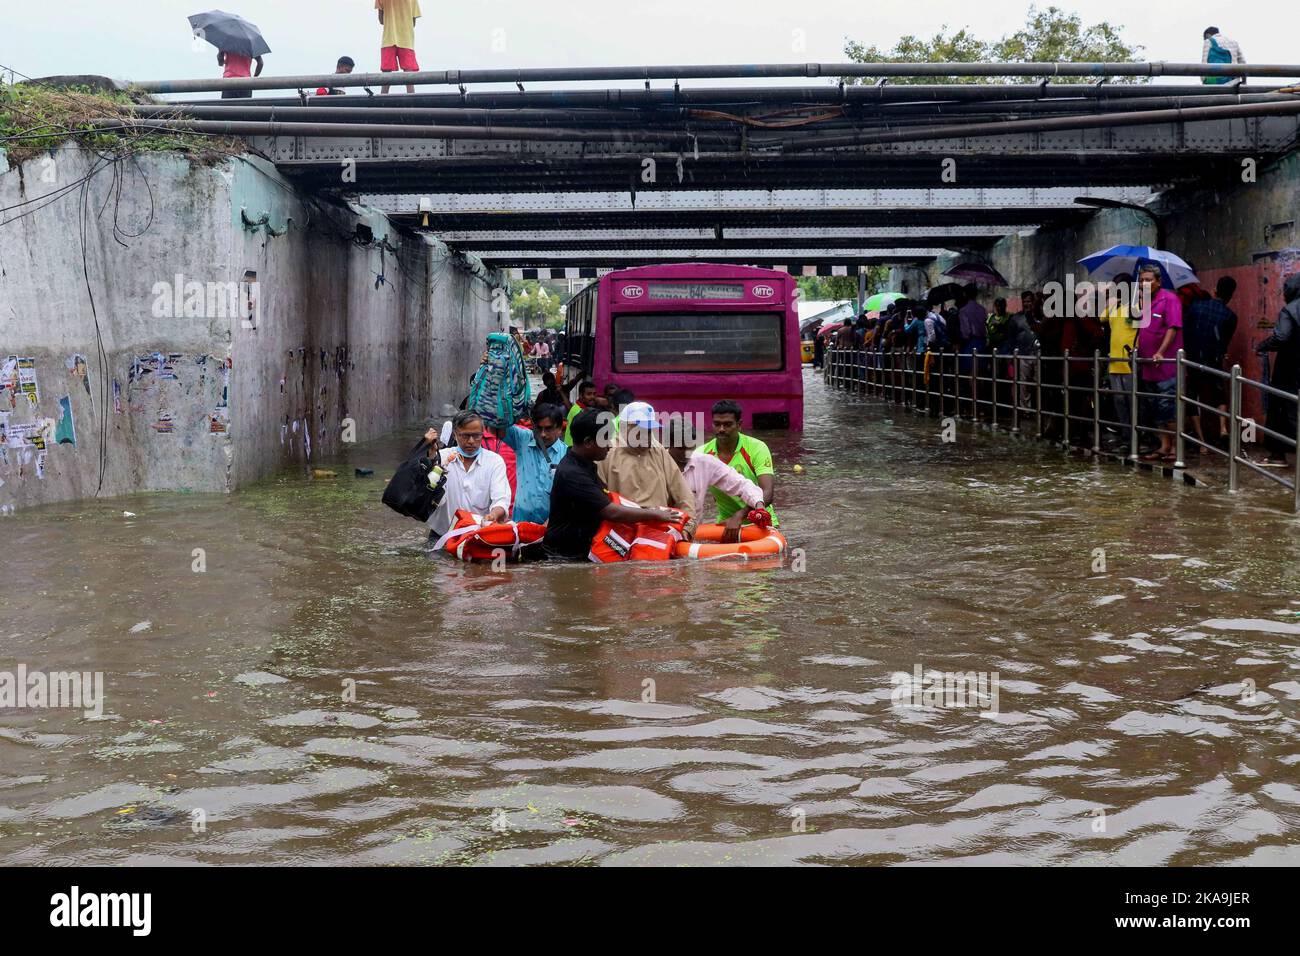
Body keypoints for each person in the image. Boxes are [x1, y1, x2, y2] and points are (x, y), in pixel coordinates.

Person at [542, 409, 686, 561]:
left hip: (581, 552)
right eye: (605, 440)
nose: (610, 446)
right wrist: (655, 515)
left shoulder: (587, 464)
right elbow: (611, 512)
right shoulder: (572, 473)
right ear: (588, 442)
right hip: (564, 557)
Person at [596, 402, 697, 536]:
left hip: (658, 530)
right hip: (620, 532)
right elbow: (598, 500)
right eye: (640, 431)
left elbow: (683, 495)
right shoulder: (606, 453)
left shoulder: (659, 452)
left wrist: (688, 528)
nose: (646, 436)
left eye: (649, 431)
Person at [665, 419, 765, 543]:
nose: (687, 453)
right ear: (668, 444)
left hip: (692, 535)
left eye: (690, 447)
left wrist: (758, 505)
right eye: (681, 448)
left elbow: (741, 484)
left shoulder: (704, 462)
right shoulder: (654, 465)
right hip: (661, 533)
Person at [426, 411, 511, 538]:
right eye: (465, 436)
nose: (471, 441)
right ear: (455, 435)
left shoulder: (494, 461)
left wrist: (493, 515)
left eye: (476, 436)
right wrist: (430, 453)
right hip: (441, 534)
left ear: (483, 434)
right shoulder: (442, 457)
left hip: (478, 534)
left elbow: (501, 499)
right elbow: (425, 488)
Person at [696, 399, 778, 527]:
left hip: (760, 521)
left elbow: (767, 492)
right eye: (717, 424)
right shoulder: (702, 454)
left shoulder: (757, 448)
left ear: (739, 425)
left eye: (727, 424)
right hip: (726, 523)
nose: (721, 429)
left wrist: (739, 515)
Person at [1133, 264, 1184, 462]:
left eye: (1148, 280)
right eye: (1142, 280)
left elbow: (1173, 327)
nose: (1144, 283)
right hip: (1148, 365)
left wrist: (1161, 352)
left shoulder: (1170, 299)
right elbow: (1141, 329)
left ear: (1158, 281)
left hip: (1166, 365)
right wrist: (1137, 348)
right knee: (1155, 407)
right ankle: (1164, 445)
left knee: (1168, 407)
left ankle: (1176, 449)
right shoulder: (1145, 302)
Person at [1185, 276, 1239, 444]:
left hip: (1194, 359)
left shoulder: (1196, 307)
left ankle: (1201, 442)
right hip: (1214, 359)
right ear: (1230, 296)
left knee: (1192, 397)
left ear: (1215, 290)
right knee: (1219, 394)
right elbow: (1225, 341)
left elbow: (1187, 332)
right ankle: (1223, 428)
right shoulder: (1231, 316)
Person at [1253, 273, 1300, 466]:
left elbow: (1281, 337)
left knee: (1281, 410)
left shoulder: (1289, 310)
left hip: (1289, 369)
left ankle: (1277, 455)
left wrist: (1262, 346)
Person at [501, 403, 567, 523]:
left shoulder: (567, 455)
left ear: (559, 429)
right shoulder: (522, 439)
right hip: (520, 523)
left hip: (551, 526)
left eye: (548, 428)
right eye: (538, 428)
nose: (543, 434)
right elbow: (499, 422)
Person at [1101, 273, 1138, 447]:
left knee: (1133, 400)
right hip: (1114, 360)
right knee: (1119, 400)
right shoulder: (1114, 307)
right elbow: (1102, 317)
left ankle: (1136, 435)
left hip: (1129, 360)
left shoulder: (1136, 306)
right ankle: (1125, 434)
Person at [377, 0, 422, 95]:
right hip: (406, 39)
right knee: (409, 74)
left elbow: (381, 20)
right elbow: (413, 23)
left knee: (386, 73)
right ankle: (412, 101)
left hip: (389, 38)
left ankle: (382, 101)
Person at [564, 380, 599, 445]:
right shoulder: (578, 412)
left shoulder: (583, 409)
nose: (592, 397)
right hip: (573, 448)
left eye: (594, 394)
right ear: (581, 396)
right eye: (589, 394)